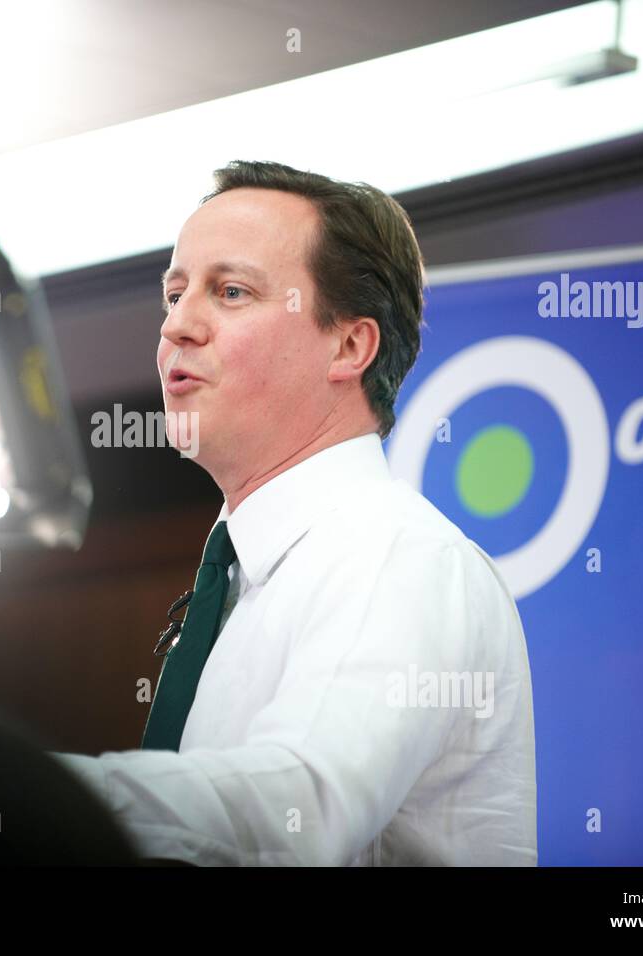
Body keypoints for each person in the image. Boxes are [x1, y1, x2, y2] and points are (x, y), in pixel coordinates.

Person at [50, 160, 537, 866]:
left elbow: (300, 807)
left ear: (349, 345)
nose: (177, 327)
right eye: (174, 293)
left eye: (232, 291)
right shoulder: (243, 582)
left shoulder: (396, 555)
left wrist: (20, 793)